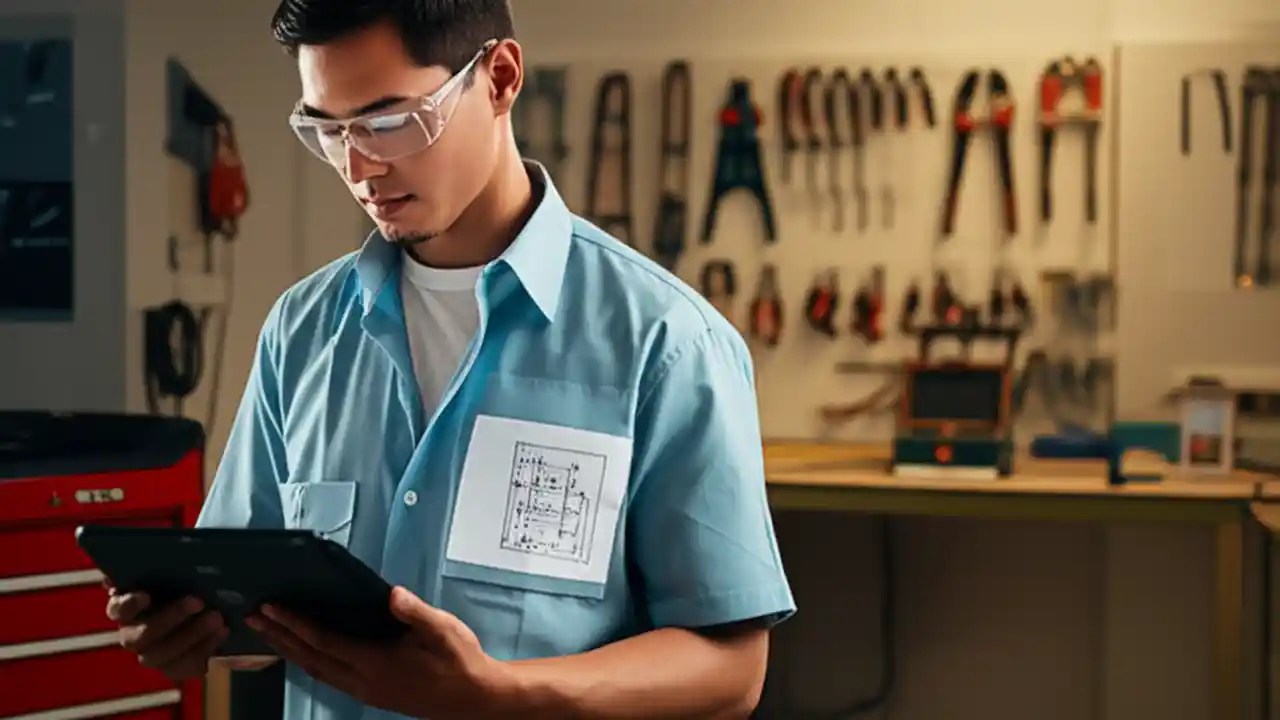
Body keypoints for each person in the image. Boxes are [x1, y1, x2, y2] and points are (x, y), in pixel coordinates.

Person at [106, 1, 795, 718]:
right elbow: (251, 614)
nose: (358, 166)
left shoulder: (668, 341)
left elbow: (731, 669)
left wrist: (501, 696)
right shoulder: (302, 332)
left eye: (387, 122)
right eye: (328, 130)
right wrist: (195, 629)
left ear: (499, 78)